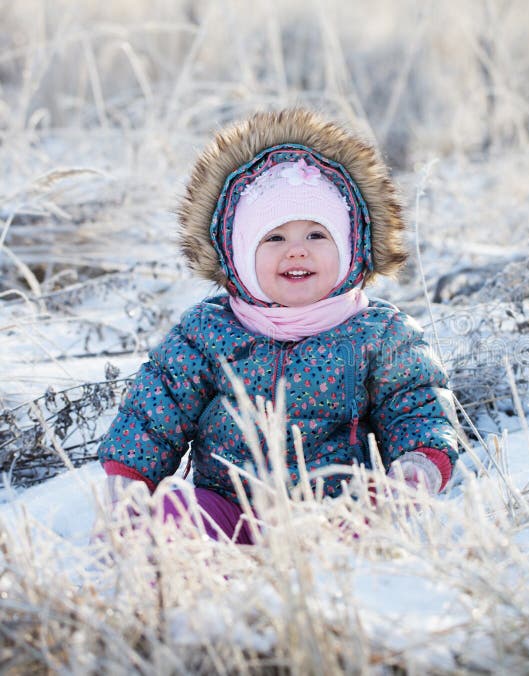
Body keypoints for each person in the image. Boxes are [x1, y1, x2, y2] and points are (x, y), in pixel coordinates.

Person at [96, 108, 460, 543]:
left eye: (316, 235)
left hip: (334, 512)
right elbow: (156, 410)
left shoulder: (377, 334)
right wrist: (130, 481)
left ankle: (328, 576)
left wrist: (416, 464)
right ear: (240, 253)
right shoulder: (208, 332)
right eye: (274, 238)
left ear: (347, 248)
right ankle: (191, 585)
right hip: (227, 507)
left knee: (362, 535)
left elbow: (415, 405)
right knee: (177, 514)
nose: (297, 252)